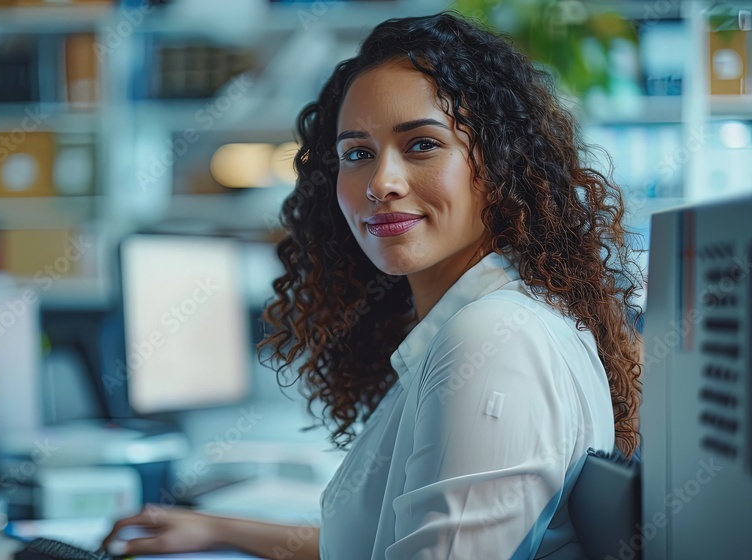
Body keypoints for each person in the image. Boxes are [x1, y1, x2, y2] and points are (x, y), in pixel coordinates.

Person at [103, 11, 642, 559]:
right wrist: (221, 530)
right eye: (357, 154)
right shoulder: (483, 320)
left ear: (501, 165)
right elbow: (383, 544)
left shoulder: (493, 338)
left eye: (423, 145)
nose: (381, 183)